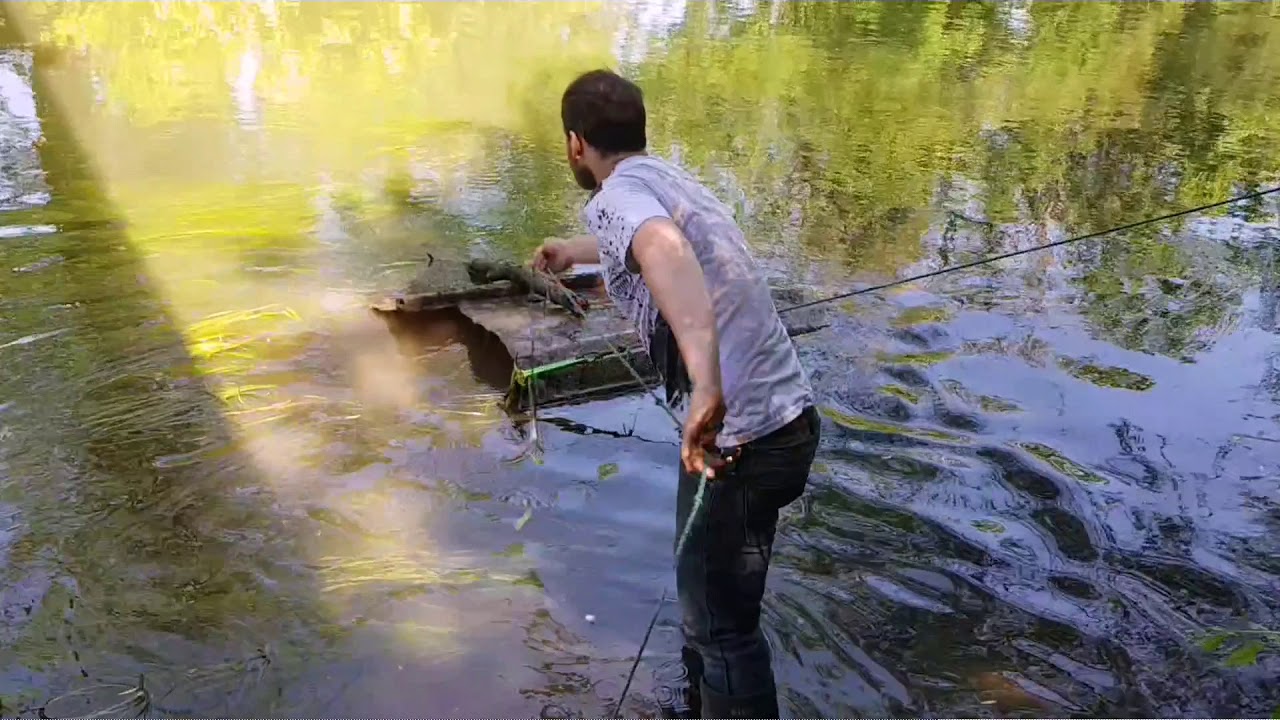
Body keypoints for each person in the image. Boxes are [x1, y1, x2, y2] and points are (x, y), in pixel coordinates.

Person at [532, 69, 820, 719]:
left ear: (576, 144)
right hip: (786, 428)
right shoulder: (667, 179)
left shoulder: (619, 201)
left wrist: (707, 386)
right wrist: (573, 253)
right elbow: (658, 240)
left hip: (740, 438)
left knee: (722, 632)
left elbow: (661, 248)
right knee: (710, 611)